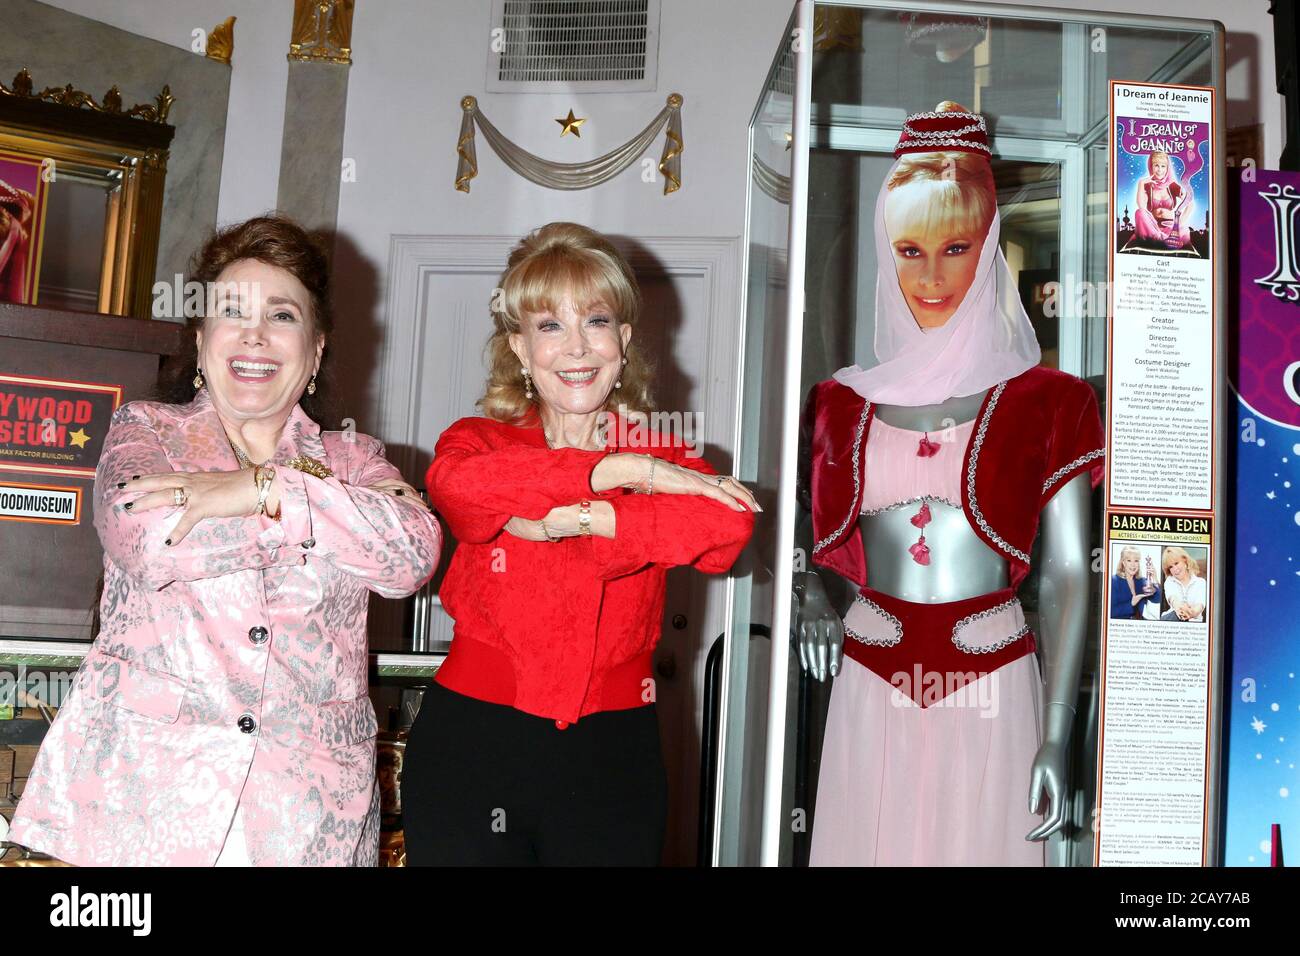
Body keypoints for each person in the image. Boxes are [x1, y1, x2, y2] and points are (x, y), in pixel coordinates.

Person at [7, 215, 442, 866]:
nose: (256, 335)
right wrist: (330, 523)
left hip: (309, 820)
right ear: (203, 337)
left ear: (316, 351)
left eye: (283, 315)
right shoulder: (145, 431)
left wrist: (264, 489)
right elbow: (150, 538)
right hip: (150, 808)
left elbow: (411, 554)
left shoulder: (354, 458)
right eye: (232, 310)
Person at [795, 103, 1105, 866]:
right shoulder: (838, 403)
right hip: (870, 675)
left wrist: (1061, 731)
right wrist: (808, 594)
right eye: (909, 250)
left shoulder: (1051, 401)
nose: (931, 277)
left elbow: (1069, 574)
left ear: (989, 245)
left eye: (956, 247)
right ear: (884, 252)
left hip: (992, 680)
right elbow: (807, 536)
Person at [403, 221, 756, 866]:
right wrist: (623, 474)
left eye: (594, 321)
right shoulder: (481, 439)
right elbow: (458, 492)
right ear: (519, 347)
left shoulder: (663, 446)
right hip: (475, 742)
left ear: (622, 341)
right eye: (549, 326)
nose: (575, 347)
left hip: (611, 753)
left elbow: (726, 529)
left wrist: (589, 520)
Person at [1133, 151, 1192, 250]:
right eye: (1156, 165)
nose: (1160, 170)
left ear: (1167, 168)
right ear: (1151, 167)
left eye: (1163, 166)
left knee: (1183, 230)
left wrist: (1180, 222)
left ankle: (1161, 240)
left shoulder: (1173, 186)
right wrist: (1141, 183)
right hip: (1152, 226)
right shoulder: (1147, 186)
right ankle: (1160, 239)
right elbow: (1141, 207)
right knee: (1139, 212)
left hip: (1170, 226)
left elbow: (1190, 203)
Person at [1110, 546, 1160, 620]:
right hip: (1120, 626)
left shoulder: (1141, 581)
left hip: (1139, 625)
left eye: (1136, 561)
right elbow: (1111, 611)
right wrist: (1131, 603)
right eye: (1129, 560)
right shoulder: (1114, 581)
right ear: (1123, 562)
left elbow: (1157, 599)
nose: (1133, 565)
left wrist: (1155, 579)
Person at [1161, 546, 1207, 622]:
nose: (1175, 569)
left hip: (1194, 625)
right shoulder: (1169, 581)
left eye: (1176, 563)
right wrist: (1180, 608)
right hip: (1172, 621)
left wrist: (1191, 613)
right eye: (1171, 567)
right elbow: (1173, 599)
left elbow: (1200, 606)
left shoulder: (1201, 582)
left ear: (1185, 561)